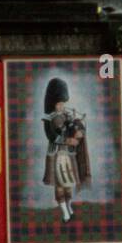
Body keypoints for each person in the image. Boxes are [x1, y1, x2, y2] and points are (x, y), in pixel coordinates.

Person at [42, 77, 90, 223]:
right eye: (59, 103)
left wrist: (78, 126)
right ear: (53, 104)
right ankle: (64, 213)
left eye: (63, 103)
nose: (62, 106)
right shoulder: (48, 119)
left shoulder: (68, 116)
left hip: (69, 155)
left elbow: (75, 128)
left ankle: (69, 207)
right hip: (56, 154)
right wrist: (68, 140)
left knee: (69, 185)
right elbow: (51, 136)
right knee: (59, 186)